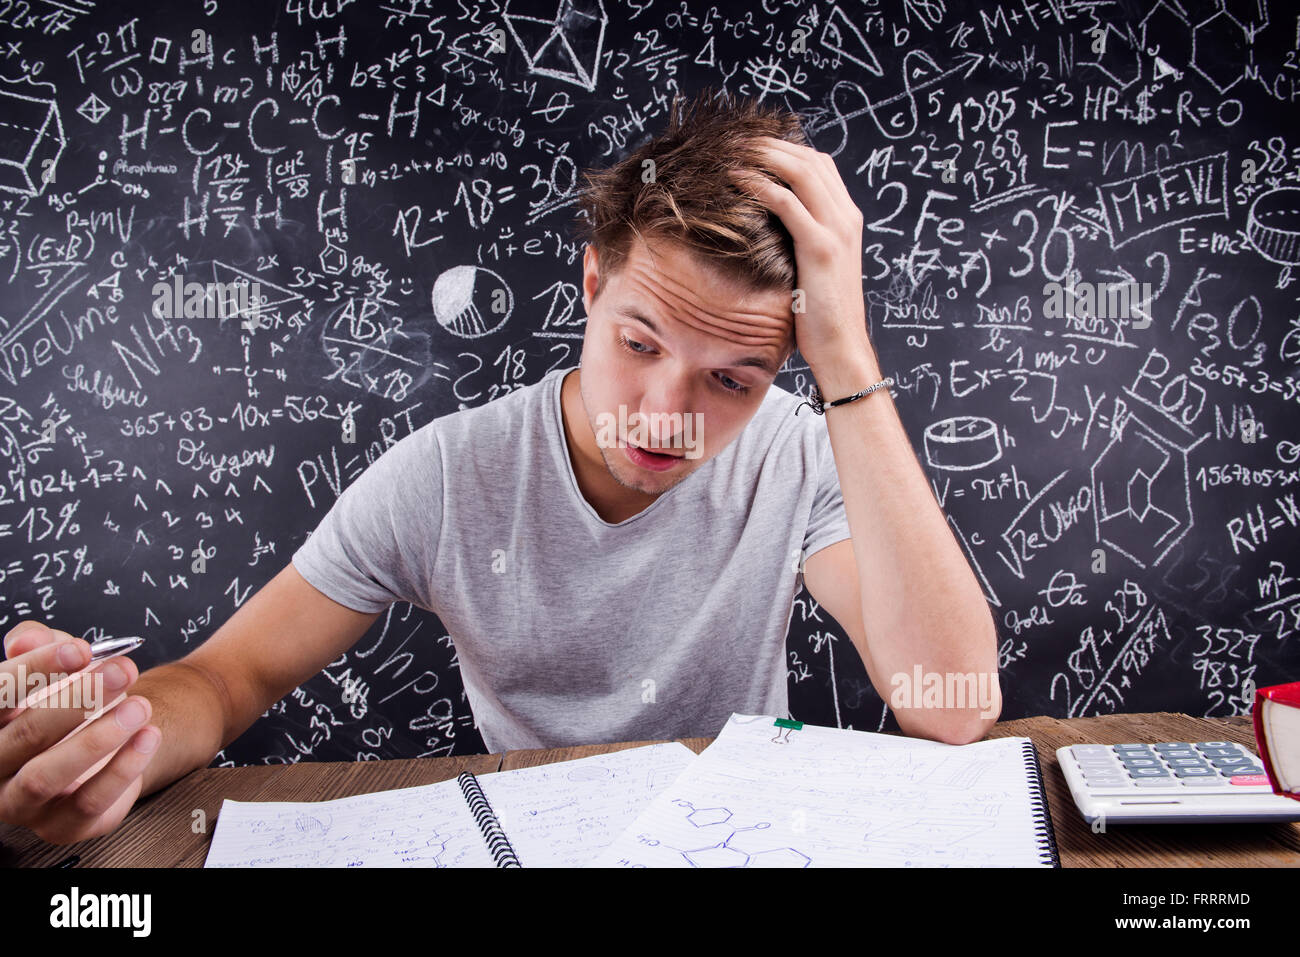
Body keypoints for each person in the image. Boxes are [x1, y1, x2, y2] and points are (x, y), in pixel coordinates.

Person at [0, 90, 999, 846]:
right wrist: (116, 733)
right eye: (641, 345)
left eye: (732, 379)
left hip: (734, 843)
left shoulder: (800, 452)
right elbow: (226, 678)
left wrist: (847, 363)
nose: (668, 421)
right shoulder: (446, 476)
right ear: (593, 282)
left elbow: (952, 708)